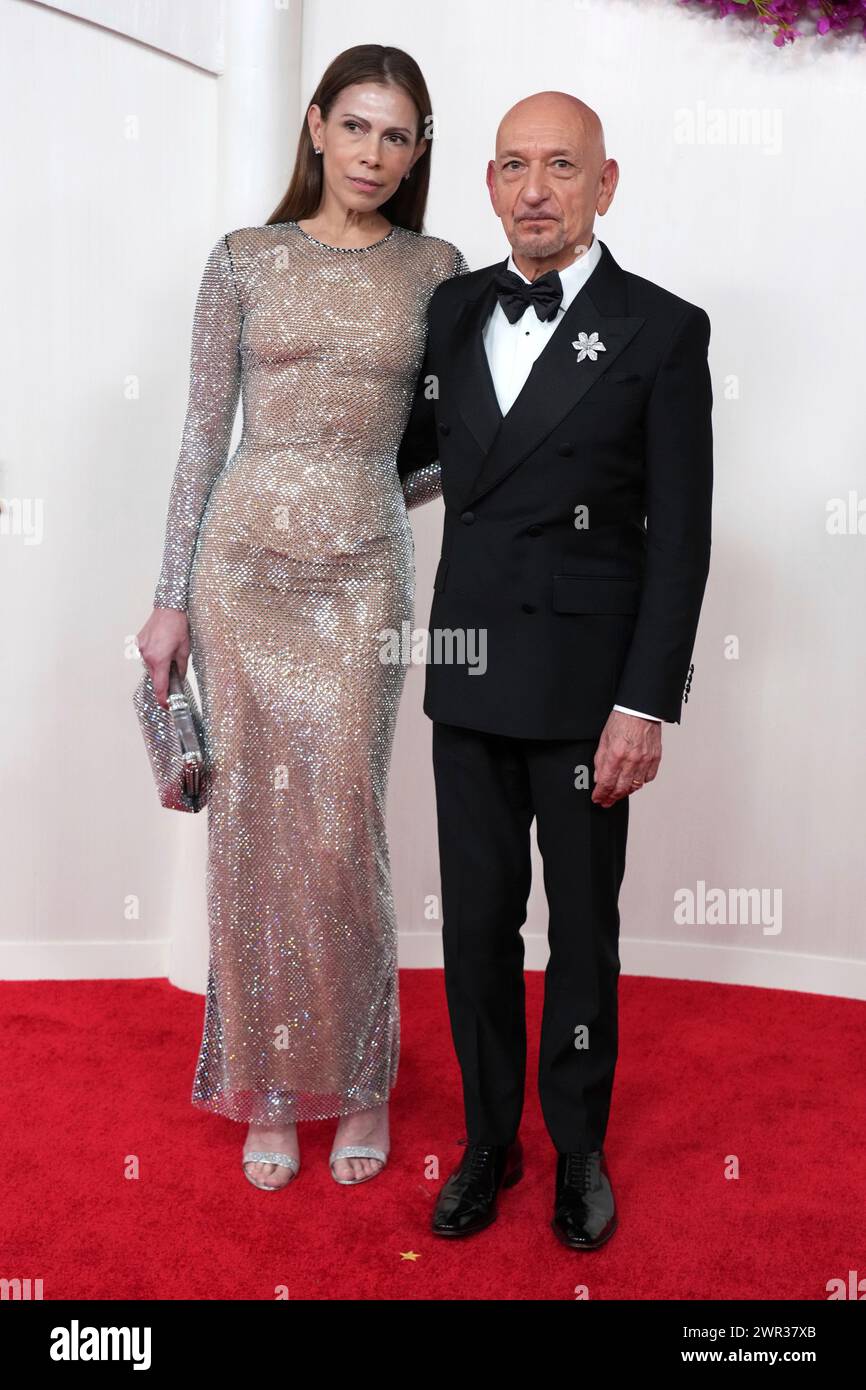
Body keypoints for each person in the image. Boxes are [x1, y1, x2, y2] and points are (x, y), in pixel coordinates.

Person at [136, 44, 468, 1191]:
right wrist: (171, 594)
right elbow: (199, 438)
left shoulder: (435, 267)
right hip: (241, 573)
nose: (374, 153)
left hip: (362, 576)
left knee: (339, 829)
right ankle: (271, 1089)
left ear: (417, 150)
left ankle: (362, 1076)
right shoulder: (242, 259)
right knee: (251, 837)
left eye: (398, 135)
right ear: (317, 126)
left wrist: (373, 488)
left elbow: (451, 445)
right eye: (357, 126)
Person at [396, 91, 713, 1247]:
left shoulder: (663, 328)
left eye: (560, 167)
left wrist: (642, 702)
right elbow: (403, 458)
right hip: (467, 670)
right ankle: (489, 1142)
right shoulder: (449, 309)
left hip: (589, 695)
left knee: (580, 929)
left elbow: (679, 537)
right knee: (475, 924)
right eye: (513, 166)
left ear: (603, 183)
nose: (534, 189)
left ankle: (577, 1144)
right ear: (487, 183)